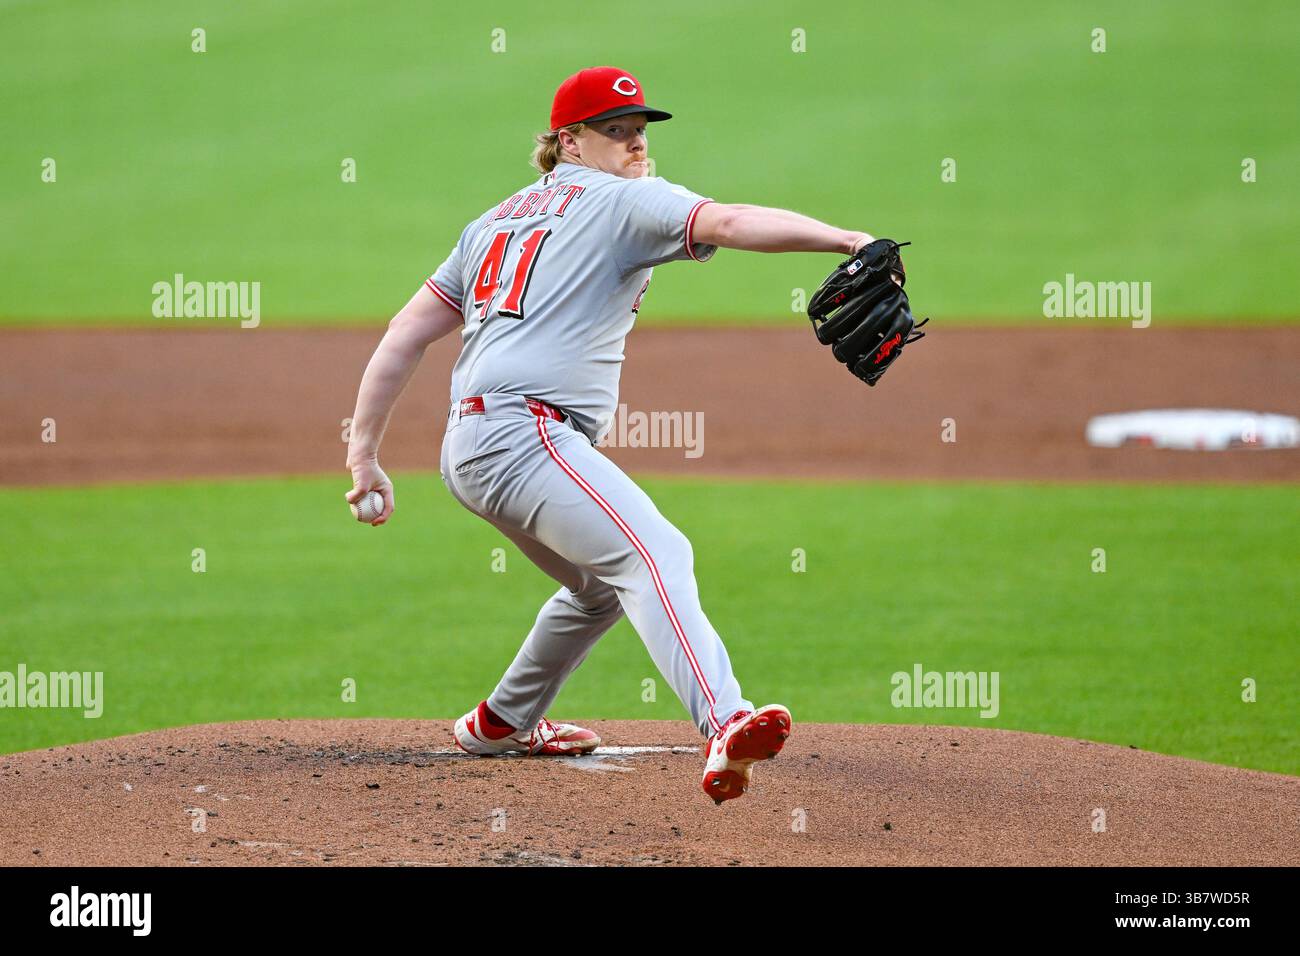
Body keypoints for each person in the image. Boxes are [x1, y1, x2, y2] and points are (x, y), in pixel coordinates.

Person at [345, 66, 880, 804]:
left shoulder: (493, 221)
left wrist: (363, 452)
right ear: (569, 140)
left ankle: (502, 723)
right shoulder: (624, 202)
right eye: (616, 130)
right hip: (525, 436)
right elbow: (726, 221)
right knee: (657, 552)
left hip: (469, 450)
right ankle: (725, 720)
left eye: (639, 129)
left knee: (598, 587)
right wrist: (846, 238)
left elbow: (409, 331)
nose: (635, 144)